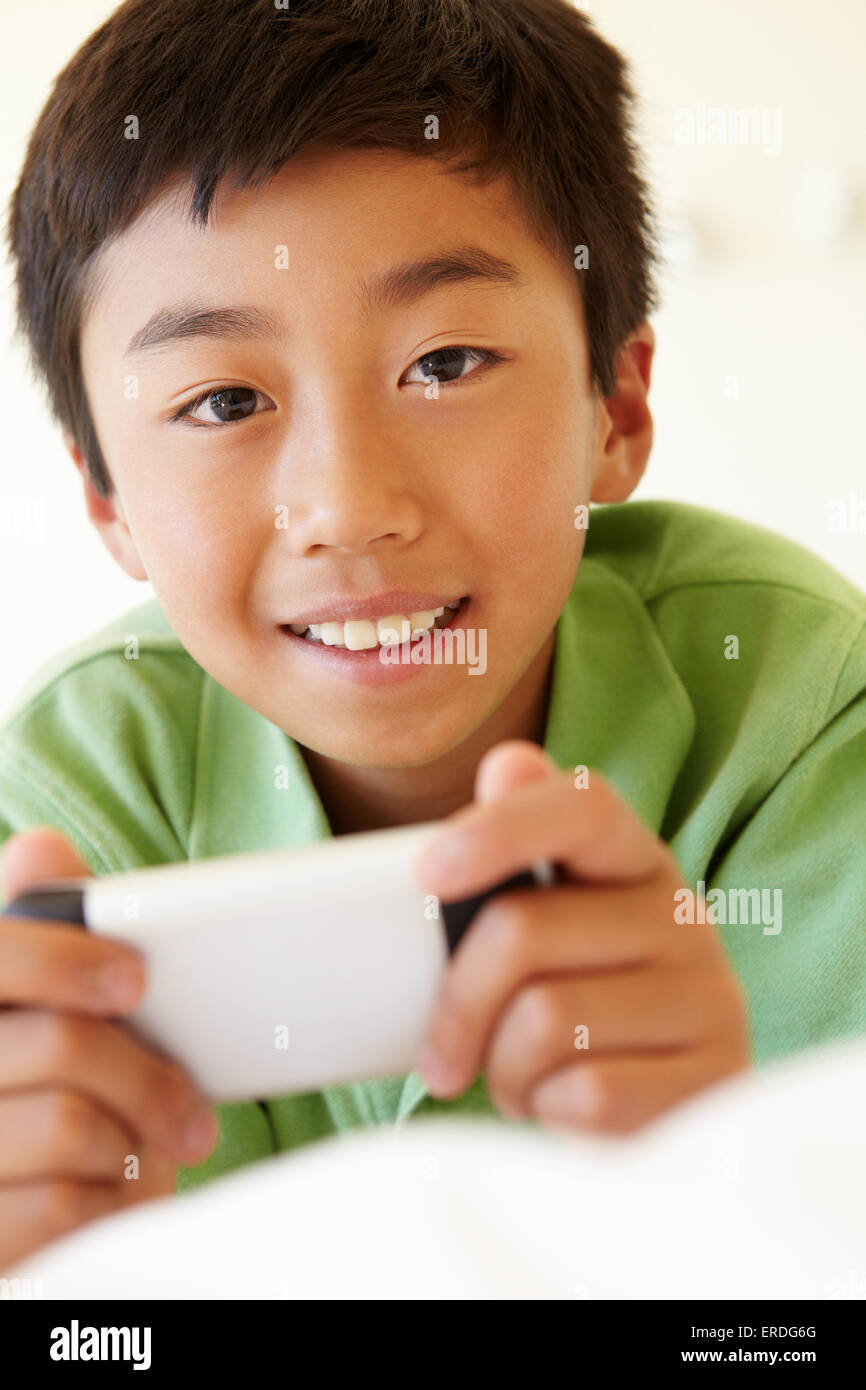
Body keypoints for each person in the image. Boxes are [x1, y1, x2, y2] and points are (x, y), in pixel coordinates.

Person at [1, 0, 864, 1273]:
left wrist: (721, 1154)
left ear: (613, 407)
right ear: (107, 502)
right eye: (224, 398)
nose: (350, 509)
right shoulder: (57, 814)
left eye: (446, 363)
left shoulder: (797, 711)